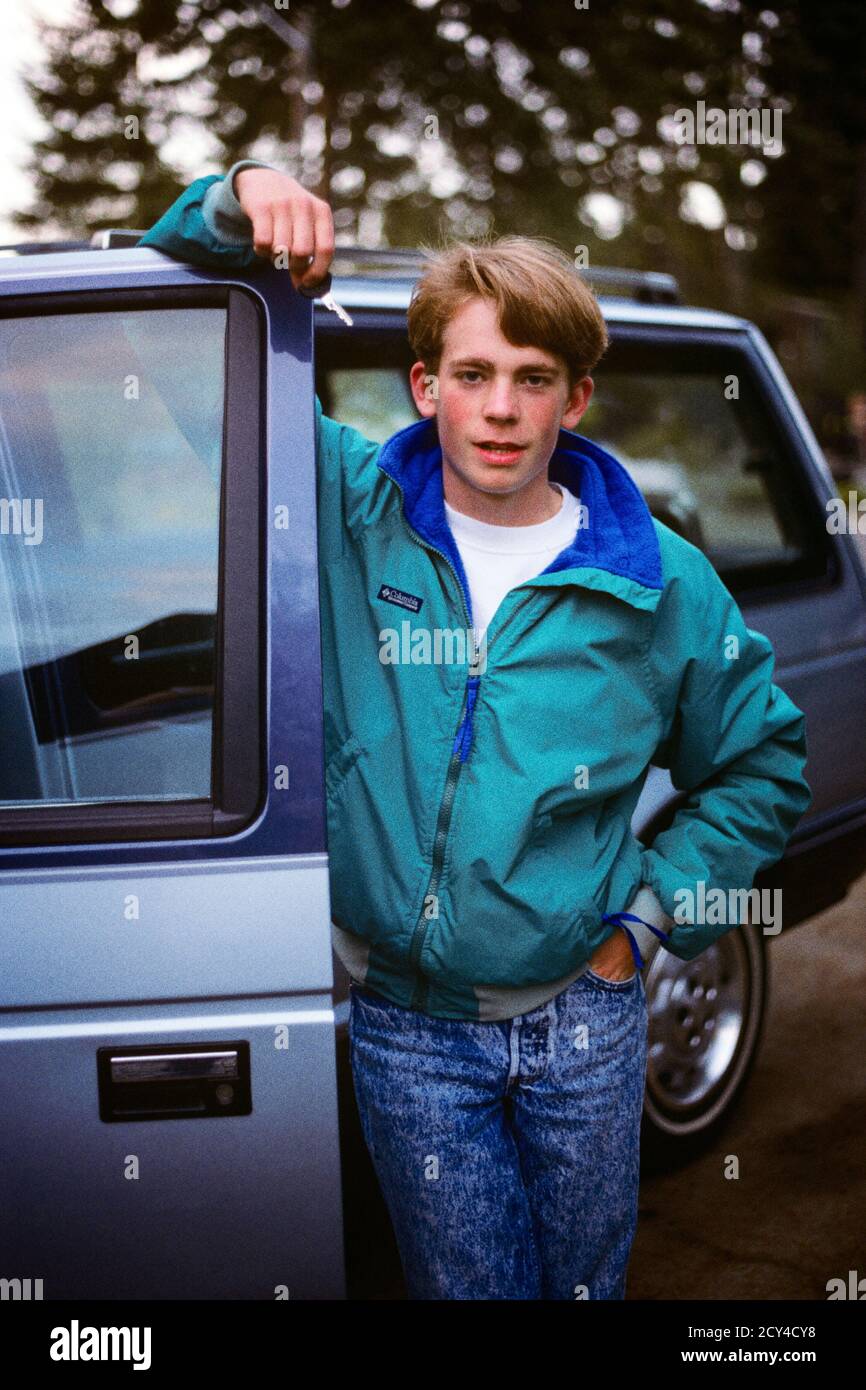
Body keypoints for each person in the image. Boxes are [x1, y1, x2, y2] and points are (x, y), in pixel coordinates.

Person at [139, 164, 812, 1300]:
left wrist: (645, 925)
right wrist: (240, 193)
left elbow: (761, 760)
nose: (500, 407)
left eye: (532, 378)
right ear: (422, 386)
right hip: (409, 1030)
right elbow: (179, 349)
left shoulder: (658, 583)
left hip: (585, 1018)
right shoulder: (346, 510)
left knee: (583, 1287)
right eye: (472, 373)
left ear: (574, 399)